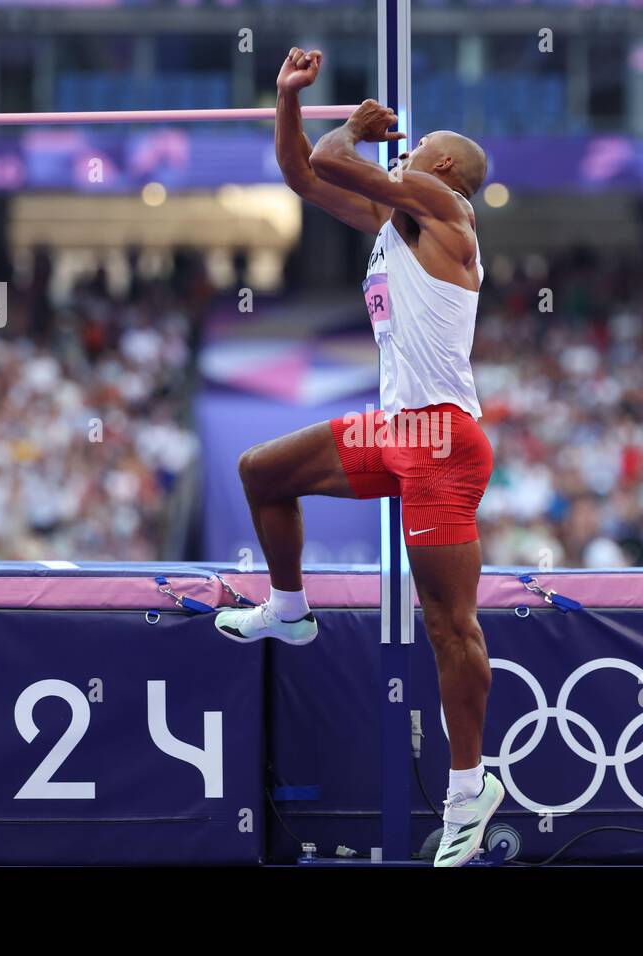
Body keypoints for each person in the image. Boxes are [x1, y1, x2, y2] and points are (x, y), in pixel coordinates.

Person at [213, 48, 500, 866]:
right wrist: (286, 99)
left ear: (440, 166)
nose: (399, 152)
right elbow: (306, 175)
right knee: (263, 473)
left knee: (449, 624)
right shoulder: (392, 225)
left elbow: (340, 155)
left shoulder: (443, 206)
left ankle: (468, 789)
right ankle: (291, 611)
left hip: (441, 441)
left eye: (412, 148)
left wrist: (353, 130)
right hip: (400, 429)